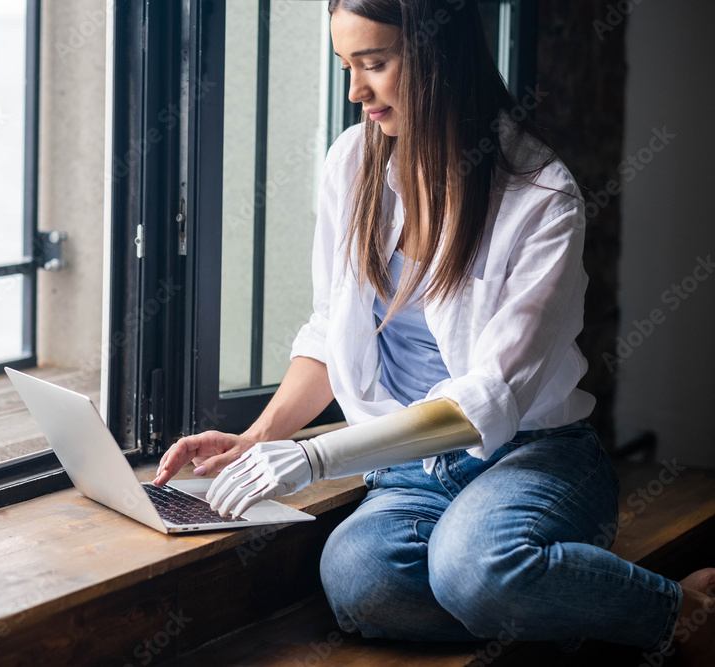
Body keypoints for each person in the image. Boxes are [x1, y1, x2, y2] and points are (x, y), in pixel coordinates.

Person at [152, 0, 715, 662]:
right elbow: (332, 332)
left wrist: (314, 455)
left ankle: (682, 611)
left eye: (375, 64)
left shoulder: (541, 196)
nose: (356, 91)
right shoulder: (351, 165)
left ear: (438, 55)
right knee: (357, 580)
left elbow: (487, 399)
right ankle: (557, 600)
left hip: (534, 454)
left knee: (472, 567)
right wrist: (257, 438)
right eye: (346, 66)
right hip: (411, 472)